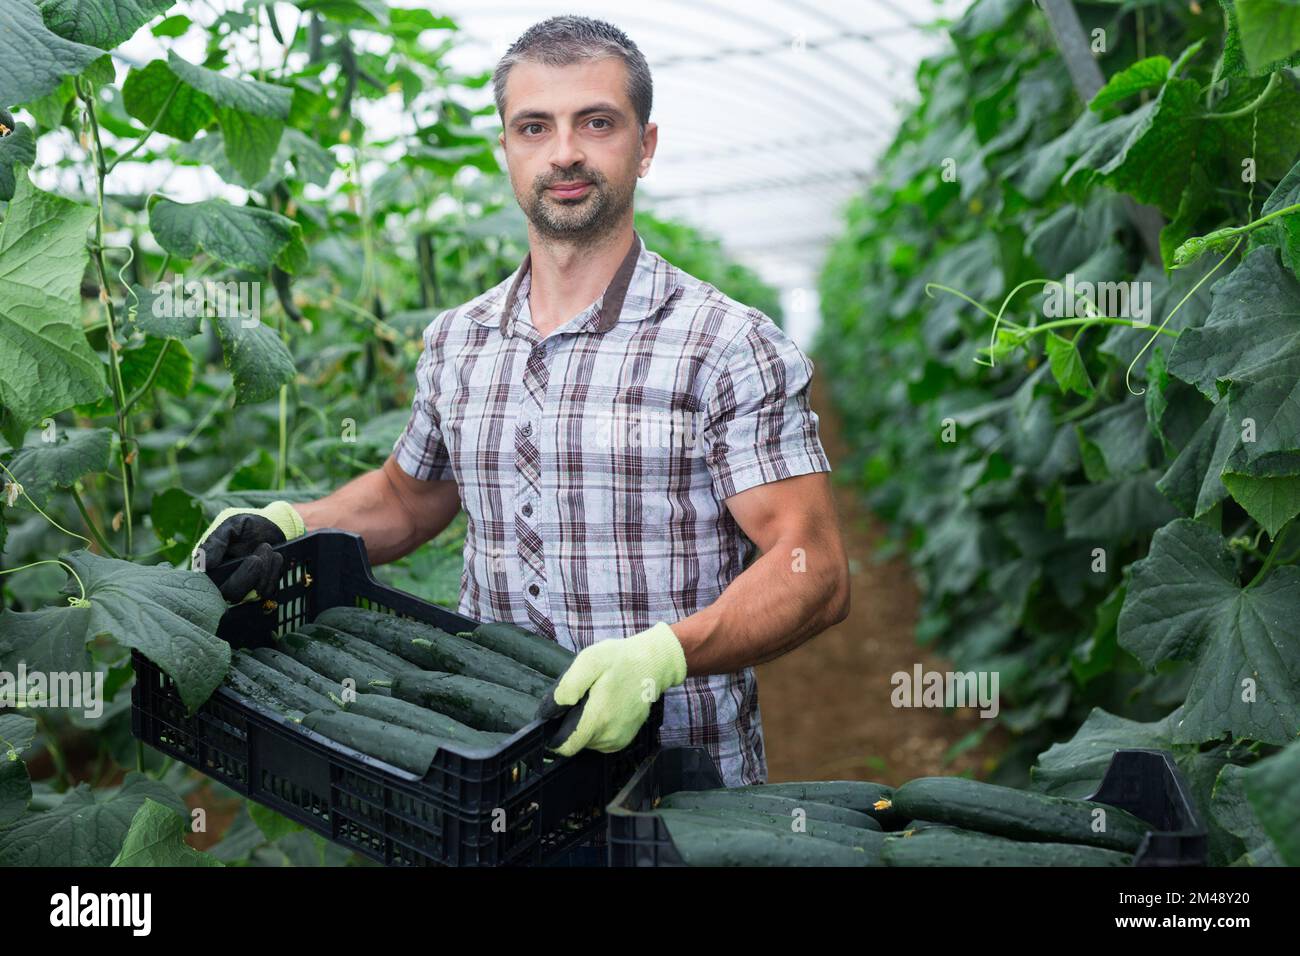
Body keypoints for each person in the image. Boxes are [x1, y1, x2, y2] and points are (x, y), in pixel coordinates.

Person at [197, 14, 849, 786]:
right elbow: (409, 500)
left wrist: (663, 655)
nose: (564, 152)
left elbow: (814, 568)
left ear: (645, 146)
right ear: (506, 149)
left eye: (596, 122)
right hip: (493, 768)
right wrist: (291, 525)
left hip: (678, 782)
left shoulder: (727, 345)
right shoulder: (457, 340)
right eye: (534, 127)